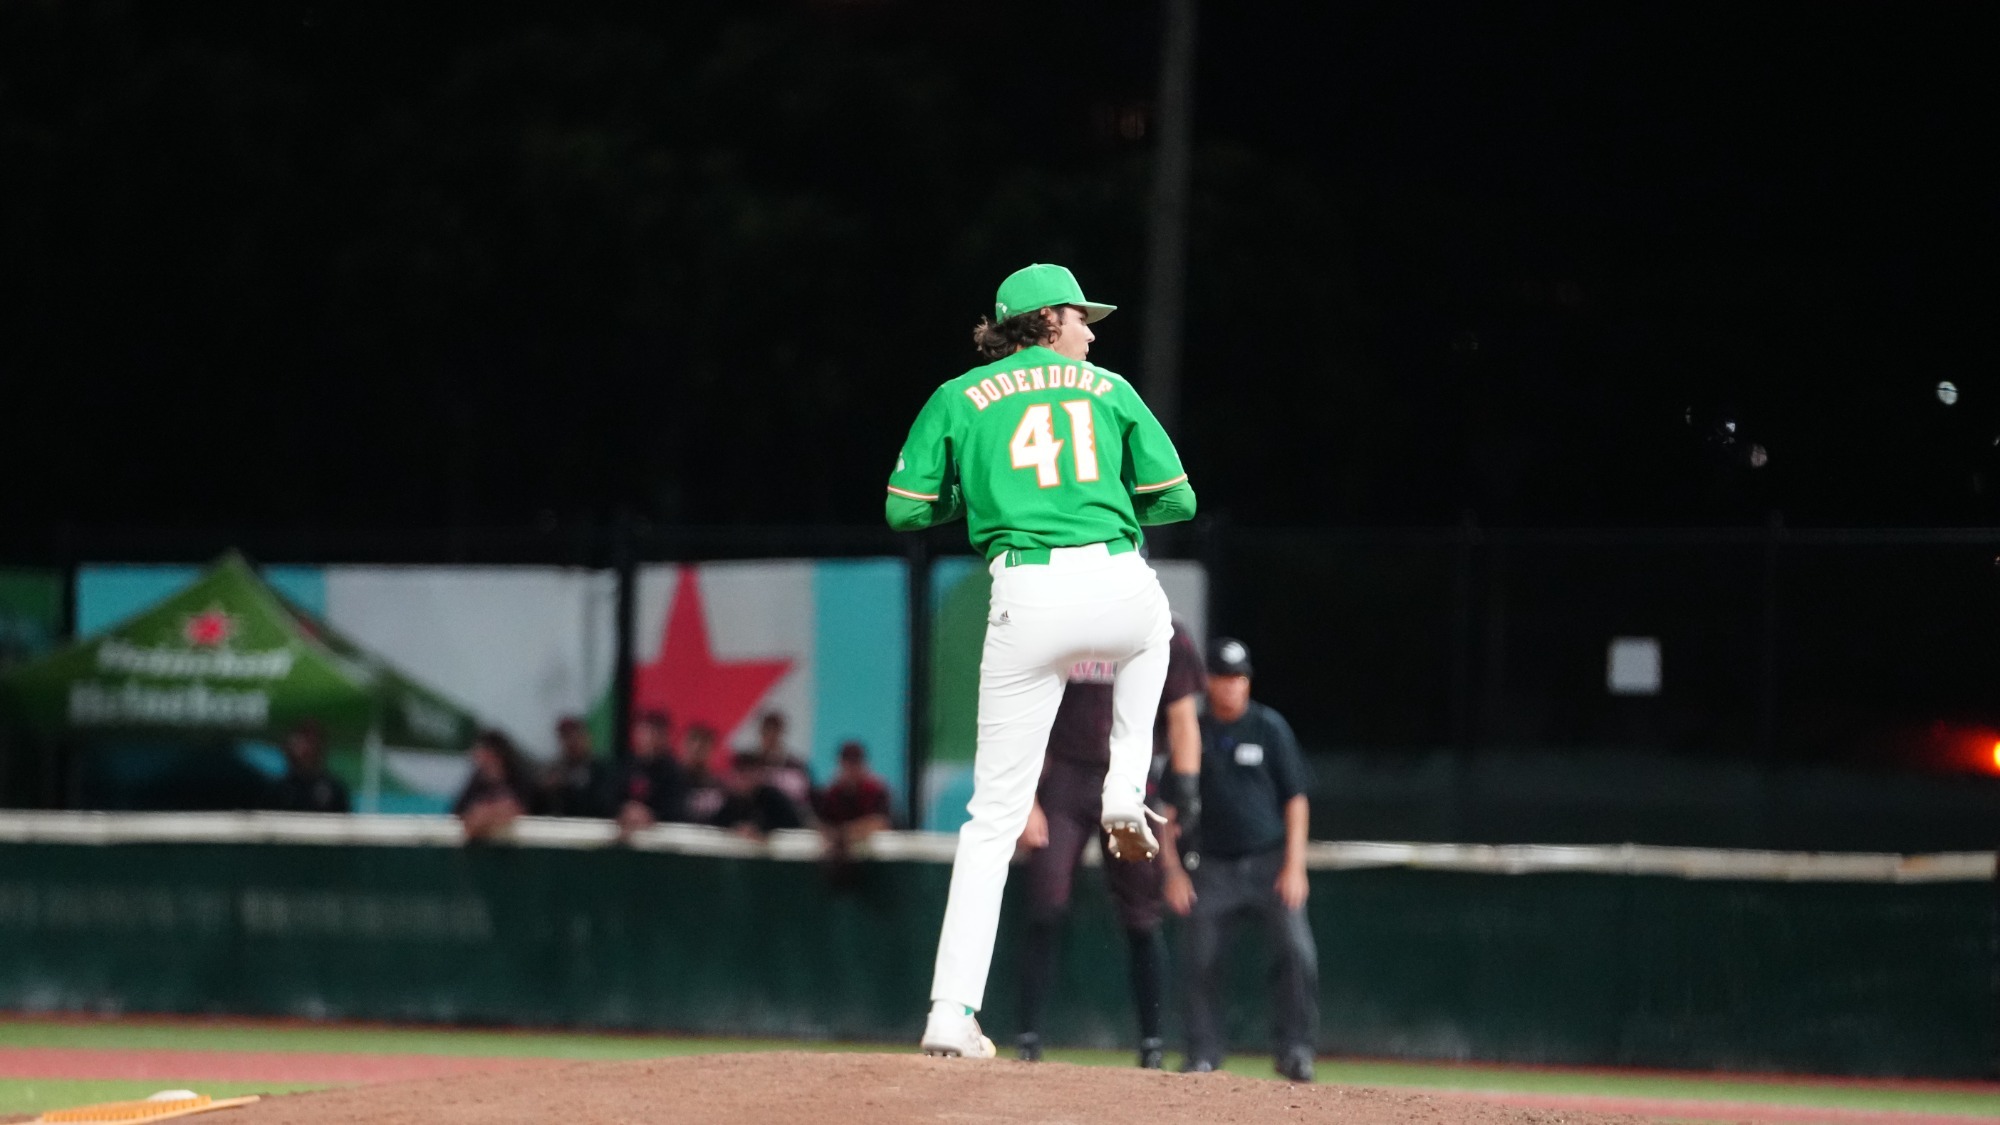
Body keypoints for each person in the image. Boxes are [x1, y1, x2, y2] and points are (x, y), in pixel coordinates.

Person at [886, 262, 1196, 1058]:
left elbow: (906, 508)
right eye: (1082, 318)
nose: (1091, 332)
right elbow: (1177, 499)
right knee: (1156, 635)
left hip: (1025, 591)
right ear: (1051, 319)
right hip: (1116, 576)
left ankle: (950, 1013)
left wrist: (983, 496)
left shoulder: (958, 395)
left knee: (992, 821)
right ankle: (1128, 783)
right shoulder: (1112, 388)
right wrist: (1108, 499)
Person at [1014, 617, 1205, 1069]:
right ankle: (1027, 1039)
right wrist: (1027, 796)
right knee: (1045, 903)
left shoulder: (1164, 631)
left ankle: (1152, 1044)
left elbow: (1181, 719)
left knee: (1143, 913)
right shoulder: (1068, 623)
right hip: (1066, 775)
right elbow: (1031, 712)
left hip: (1132, 776)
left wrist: (1188, 788)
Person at [1166, 637, 1319, 1083]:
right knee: (1200, 958)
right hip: (1211, 866)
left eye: (1239, 678)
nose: (1232, 686)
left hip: (1269, 862)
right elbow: (1168, 812)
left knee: (1296, 951)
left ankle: (1295, 1050)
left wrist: (1295, 865)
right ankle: (1203, 1053)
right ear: (1207, 682)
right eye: (1223, 677)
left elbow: (1296, 800)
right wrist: (1172, 871)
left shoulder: (1270, 728)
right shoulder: (1193, 732)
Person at [609, 709, 686, 837]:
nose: (650, 738)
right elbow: (606, 798)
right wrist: (625, 810)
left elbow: (677, 809)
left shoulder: (674, 772)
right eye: (646, 732)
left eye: (656, 733)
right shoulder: (623, 765)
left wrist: (651, 816)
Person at [453, 729, 536, 841]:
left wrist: (491, 814)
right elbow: (459, 813)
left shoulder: (520, 778)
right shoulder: (477, 781)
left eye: (480, 750)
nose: (475, 755)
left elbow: (524, 810)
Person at [815, 739, 894, 849]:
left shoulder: (876, 790)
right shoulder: (832, 793)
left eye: (855, 763)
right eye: (847, 764)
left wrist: (848, 833)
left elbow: (881, 823)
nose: (851, 769)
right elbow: (822, 825)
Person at [708, 752, 805, 840]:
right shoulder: (731, 800)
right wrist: (735, 829)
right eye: (740, 772)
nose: (743, 778)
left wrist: (762, 831)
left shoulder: (772, 798)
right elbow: (716, 826)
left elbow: (793, 826)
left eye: (749, 771)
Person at [267, 718, 350, 813]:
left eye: (311, 741)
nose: (306, 748)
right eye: (302, 741)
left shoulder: (334, 791)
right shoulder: (278, 790)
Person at [747, 710, 814, 821]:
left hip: (787, 818)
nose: (770, 737)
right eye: (766, 731)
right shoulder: (748, 764)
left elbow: (805, 798)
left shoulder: (796, 765)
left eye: (775, 732)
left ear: (781, 733)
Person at [539, 715, 610, 818]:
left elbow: (604, 805)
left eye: (576, 736)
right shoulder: (554, 771)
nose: (572, 742)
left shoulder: (602, 770)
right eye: (566, 737)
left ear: (586, 738)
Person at [680, 724, 731, 824]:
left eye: (704, 744)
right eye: (693, 741)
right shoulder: (669, 780)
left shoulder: (720, 787)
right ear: (684, 745)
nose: (698, 748)